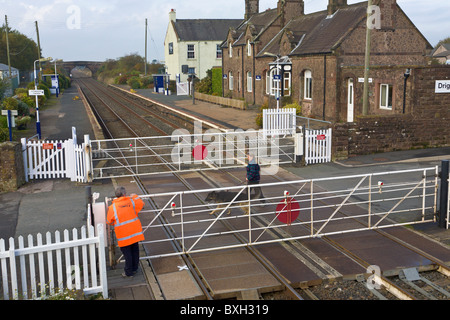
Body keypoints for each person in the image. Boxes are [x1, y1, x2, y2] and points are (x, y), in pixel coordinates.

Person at [107, 186, 145, 278]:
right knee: (135, 251)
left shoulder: (113, 207)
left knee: (127, 254)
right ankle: (135, 268)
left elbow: (109, 221)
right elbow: (141, 204)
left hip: (123, 235)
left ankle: (128, 272)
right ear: (124, 194)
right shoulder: (132, 201)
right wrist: (135, 196)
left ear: (116, 196)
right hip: (134, 232)